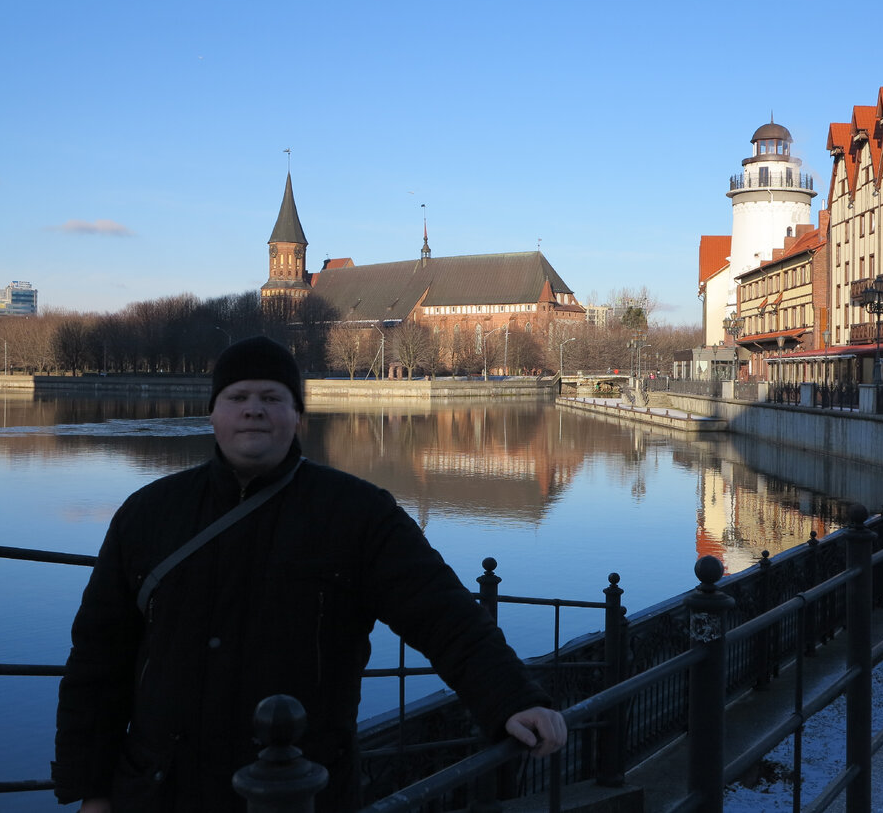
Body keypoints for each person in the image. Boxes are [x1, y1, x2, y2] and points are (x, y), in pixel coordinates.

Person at [53, 337, 566, 812]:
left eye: (273, 398)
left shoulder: (358, 513)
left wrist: (512, 700)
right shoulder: (147, 514)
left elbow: (443, 614)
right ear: (212, 414)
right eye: (238, 396)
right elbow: (98, 660)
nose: (254, 408)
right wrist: (91, 790)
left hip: (306, 791)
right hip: (160, 790)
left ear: (298, 417)